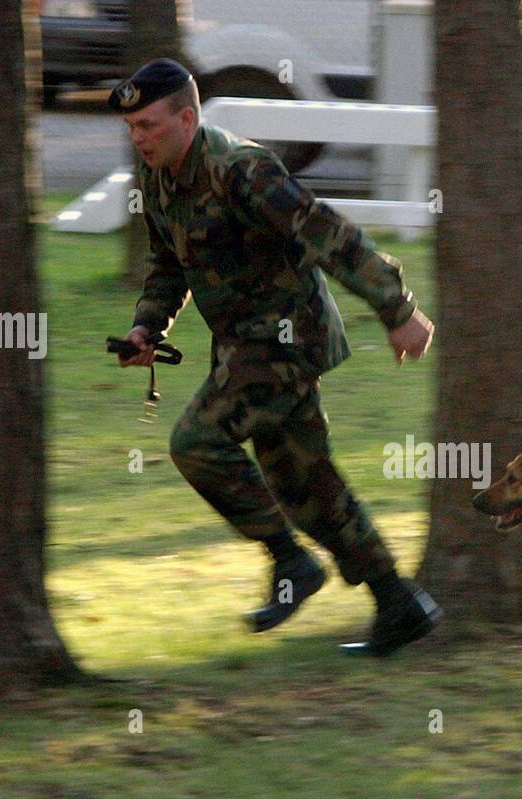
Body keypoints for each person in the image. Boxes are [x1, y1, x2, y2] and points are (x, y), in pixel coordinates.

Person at [110, 58, 440, 656]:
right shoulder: (157, 175)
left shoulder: (242, 170)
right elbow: (167, 265)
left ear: (187, 118)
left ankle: (292, 563)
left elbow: (326, 232)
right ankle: (400, 603)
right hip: (244, 343)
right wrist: (146, 328)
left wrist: (397, 310)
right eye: (131, 126)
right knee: (306, 485)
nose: (138, 137)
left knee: (196, 442)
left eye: (149, 125)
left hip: (288, 337)